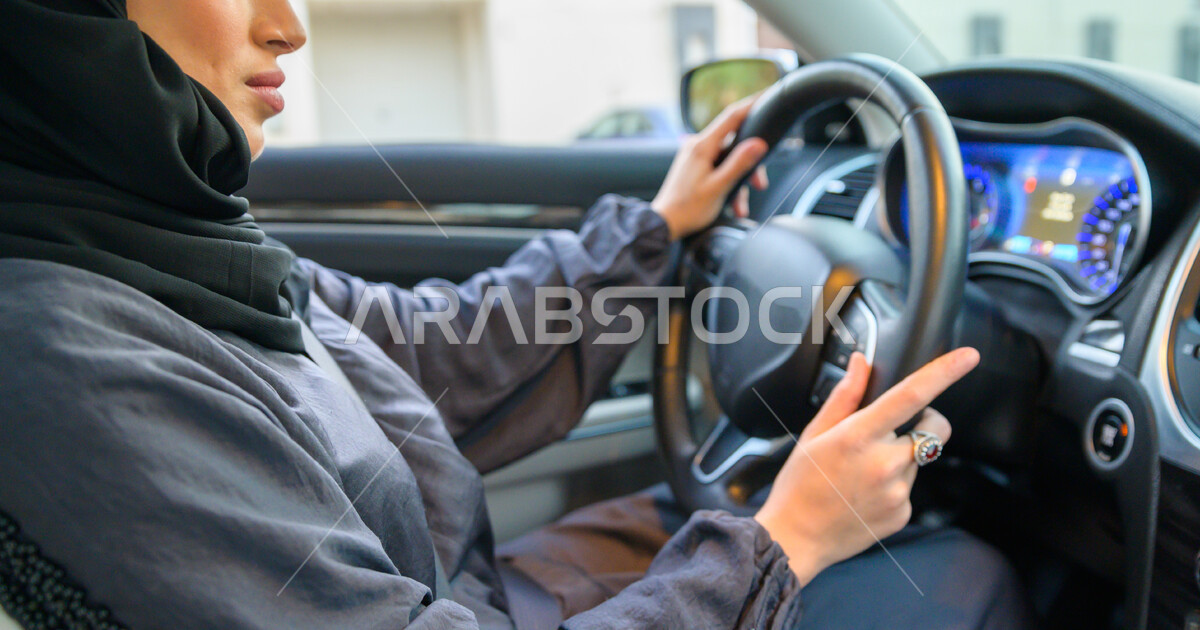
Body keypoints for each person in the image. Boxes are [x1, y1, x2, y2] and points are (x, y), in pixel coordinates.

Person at [0, 0, 1032, 628]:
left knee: (683, 517)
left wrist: (655, 230)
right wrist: (789, 538)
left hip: (467, 592)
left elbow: (429, 351)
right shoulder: (65, 368)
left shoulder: (163, 251)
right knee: (968, 573)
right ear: (67, 26)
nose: (290, 26)